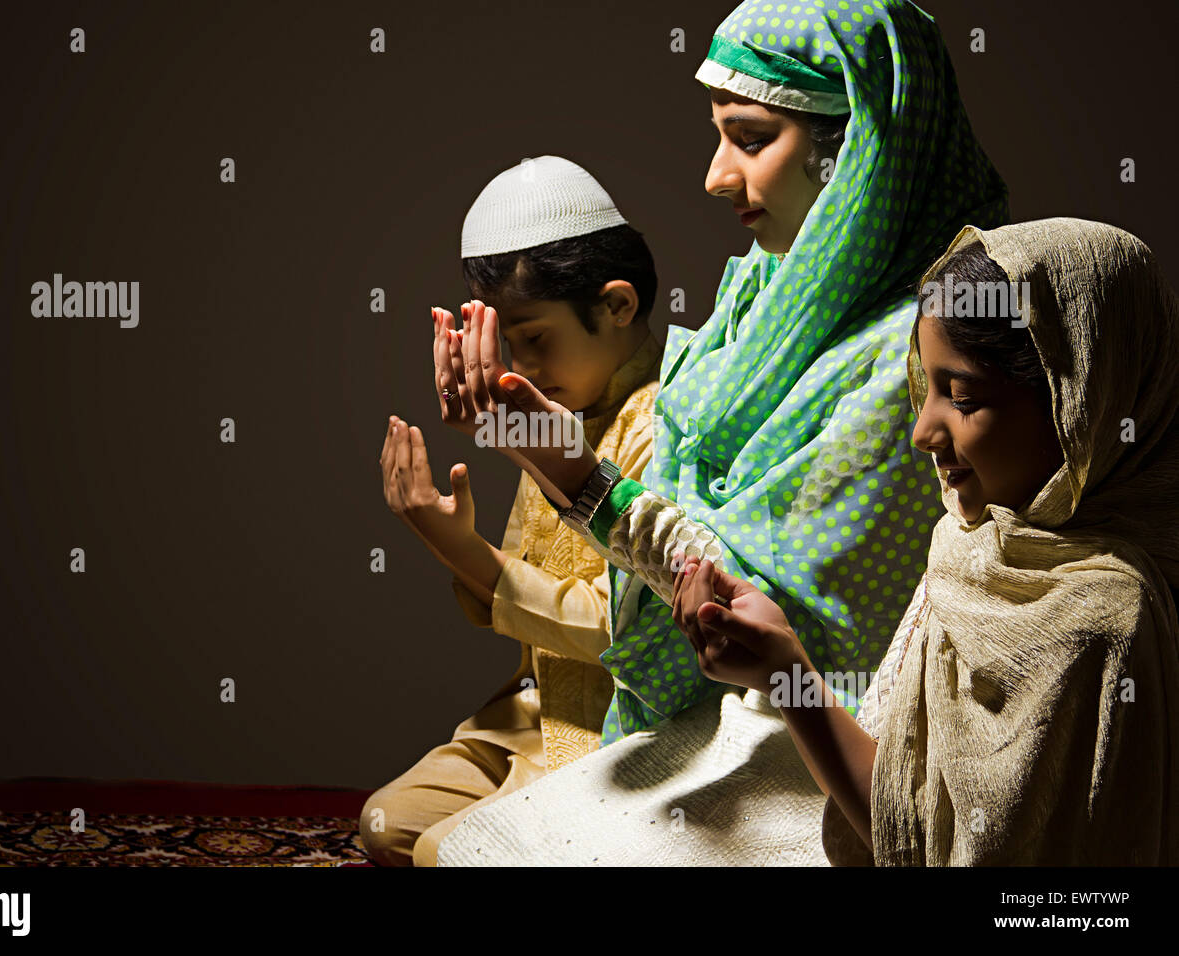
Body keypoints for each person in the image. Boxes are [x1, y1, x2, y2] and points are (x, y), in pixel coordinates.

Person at [435, 0, 1008, 866]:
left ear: (857, 147)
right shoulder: (759, 300)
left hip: (825, 748)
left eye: (749, 137)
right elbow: (679, 527)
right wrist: (538, 451)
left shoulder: (926, 342)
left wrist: (569, 471)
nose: (714, 176)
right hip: (707, 719)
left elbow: (761, 616)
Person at [670, 218, 1179, 865]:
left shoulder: (1104, 620)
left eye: (961, 397)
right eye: (926, 386)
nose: (923, 430)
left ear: (1076, 401)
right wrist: (782, 670)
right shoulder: (972, 544)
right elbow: (906, 817)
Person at [362, 156, 664, 866]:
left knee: (444, 851)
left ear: (618, 305)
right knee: (385, 821)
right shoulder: (554, 410)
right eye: (504, 341)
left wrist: (460, 548)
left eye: (534, 339)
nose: (516, 367)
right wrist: (456, 532)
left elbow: (617, 629)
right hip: (530, 717)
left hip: (623, 735)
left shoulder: (669, 421)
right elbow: (506, 595)